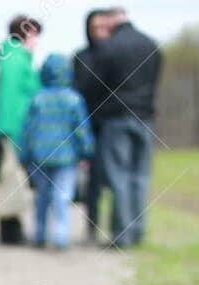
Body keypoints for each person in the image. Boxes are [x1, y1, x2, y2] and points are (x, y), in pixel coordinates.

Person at [90, 8, 162, 248]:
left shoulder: (108, 48)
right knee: (140, 177)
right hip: (145, 117)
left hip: (116, 119)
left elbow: (96, 87)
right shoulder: (151, 45)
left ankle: (123, 236)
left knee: (119, 177)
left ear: (112, 21)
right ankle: (138, 232)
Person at [19, 54, 95, 251]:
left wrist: (24, 155)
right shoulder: (74, 99)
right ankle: (60, 237)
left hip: (39, 158)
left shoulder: (37, 99)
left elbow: (27, 130)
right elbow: (81, 129)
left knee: (42, 197)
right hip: (66, 159)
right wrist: (87, 152)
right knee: (62, 197)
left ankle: (39, 234)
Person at [0, 15, 42, 246]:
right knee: (12, 180)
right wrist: (11, 132)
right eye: (35, 35)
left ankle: (12, 230)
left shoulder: (16, 57)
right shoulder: (15, 59)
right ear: (27, 33)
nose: (37, 41)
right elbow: (11, 99)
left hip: (16, 129)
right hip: (14, 130)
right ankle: (10, 233)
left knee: (13, 180)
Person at [71, 9, 113, 243]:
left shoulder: (116, 56)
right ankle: (92, 228)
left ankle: (119, 229)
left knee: (116, 179)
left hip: (112, 125)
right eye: (95, 28)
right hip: (89, 126)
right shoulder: (81, 57)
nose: (99, 32)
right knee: (93, 182)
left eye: (104, 28)